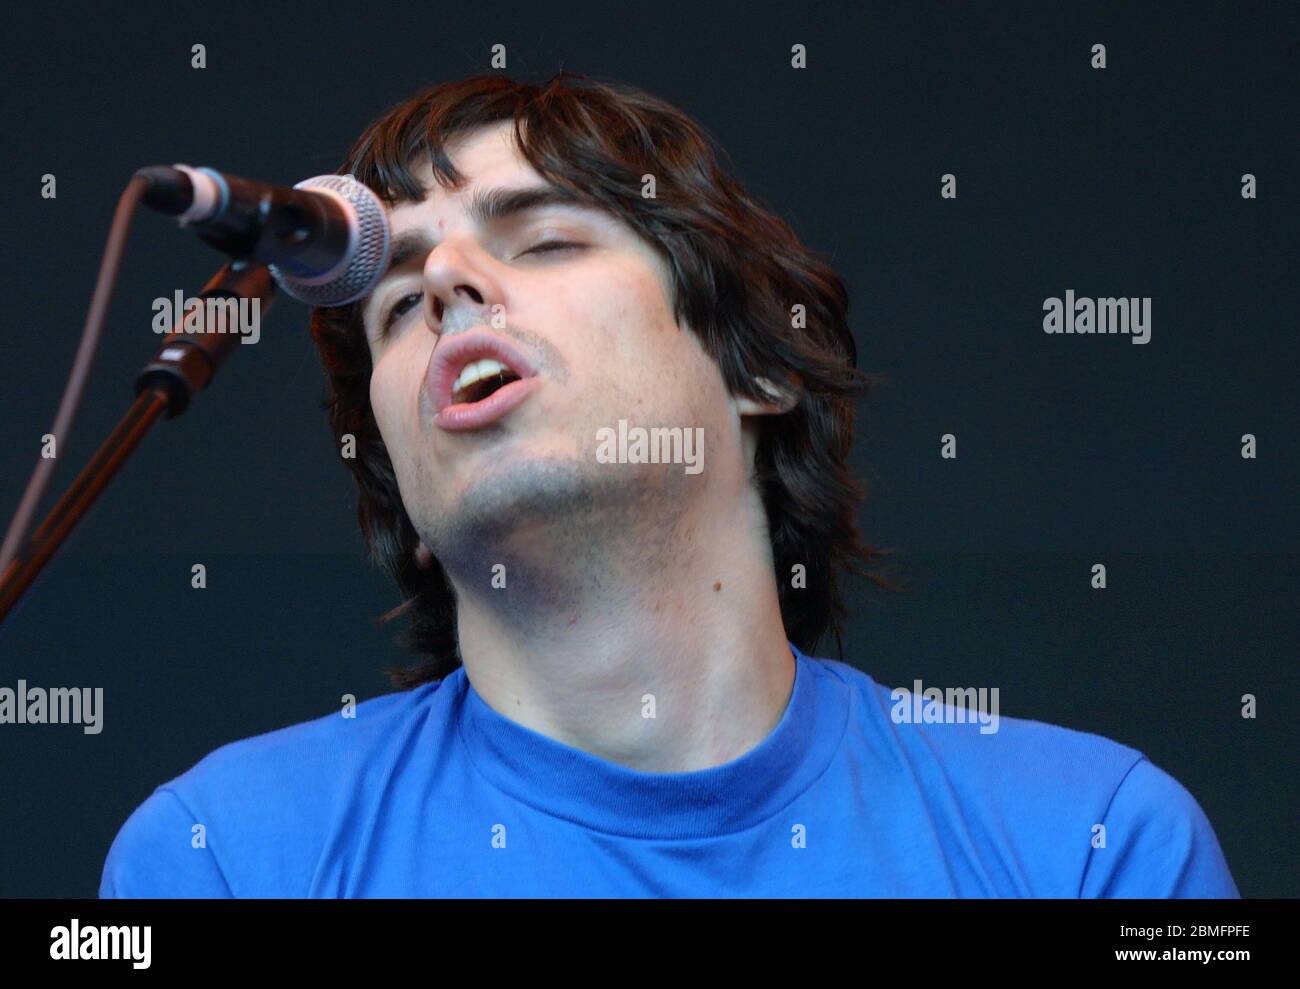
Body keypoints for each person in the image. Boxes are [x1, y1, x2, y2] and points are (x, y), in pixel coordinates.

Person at [100, 71, 1239, 898]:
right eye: (396, 301)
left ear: (754, 366)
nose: (446, 278)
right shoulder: (223, 857)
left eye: (541, 242)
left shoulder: (1094, 844)